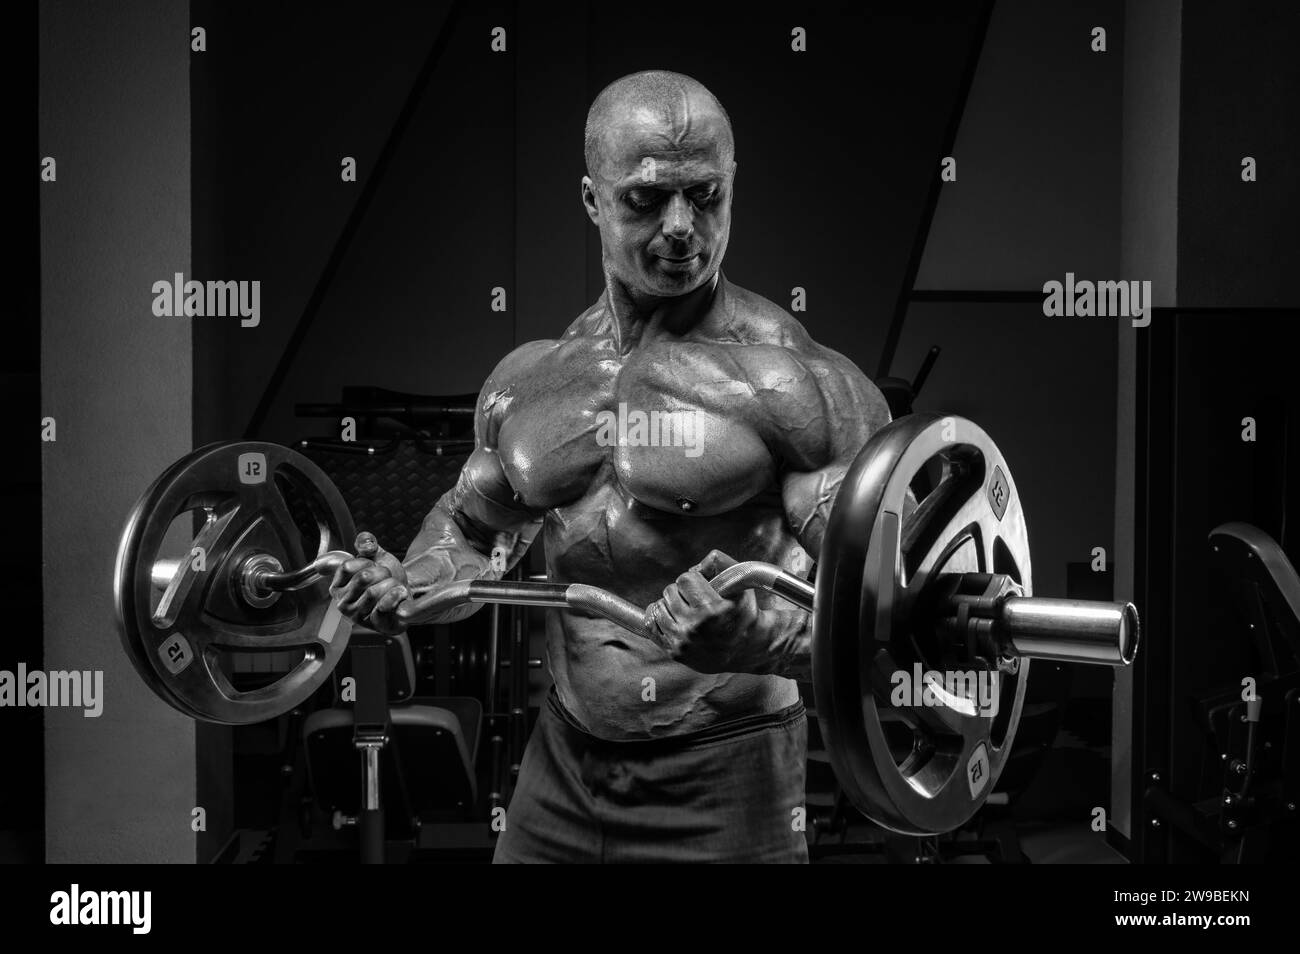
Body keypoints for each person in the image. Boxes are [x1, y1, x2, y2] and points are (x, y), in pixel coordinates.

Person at [330, 70, 891, 863]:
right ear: (592, 198)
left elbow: (886, 627)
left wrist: (759, 640)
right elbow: (471, 534)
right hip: (563, 764)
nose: (680, 228)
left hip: (727, 774)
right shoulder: (530, 379)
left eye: (705, 195)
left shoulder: (795, 384)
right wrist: (407, 588)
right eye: (645, 198)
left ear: (732, 184)